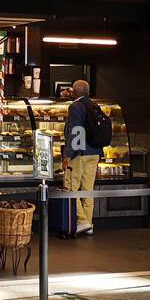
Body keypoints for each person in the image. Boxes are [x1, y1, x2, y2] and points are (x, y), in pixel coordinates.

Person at [62, 79, 101, 236]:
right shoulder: (94, 105)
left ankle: (82, 221)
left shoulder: (75, 106)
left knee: (70, 187)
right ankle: (89, 224)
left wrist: (68, 154)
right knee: (87, 190)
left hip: (80, 154)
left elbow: (76, 132)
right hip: (94, 153)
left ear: (75, 92)